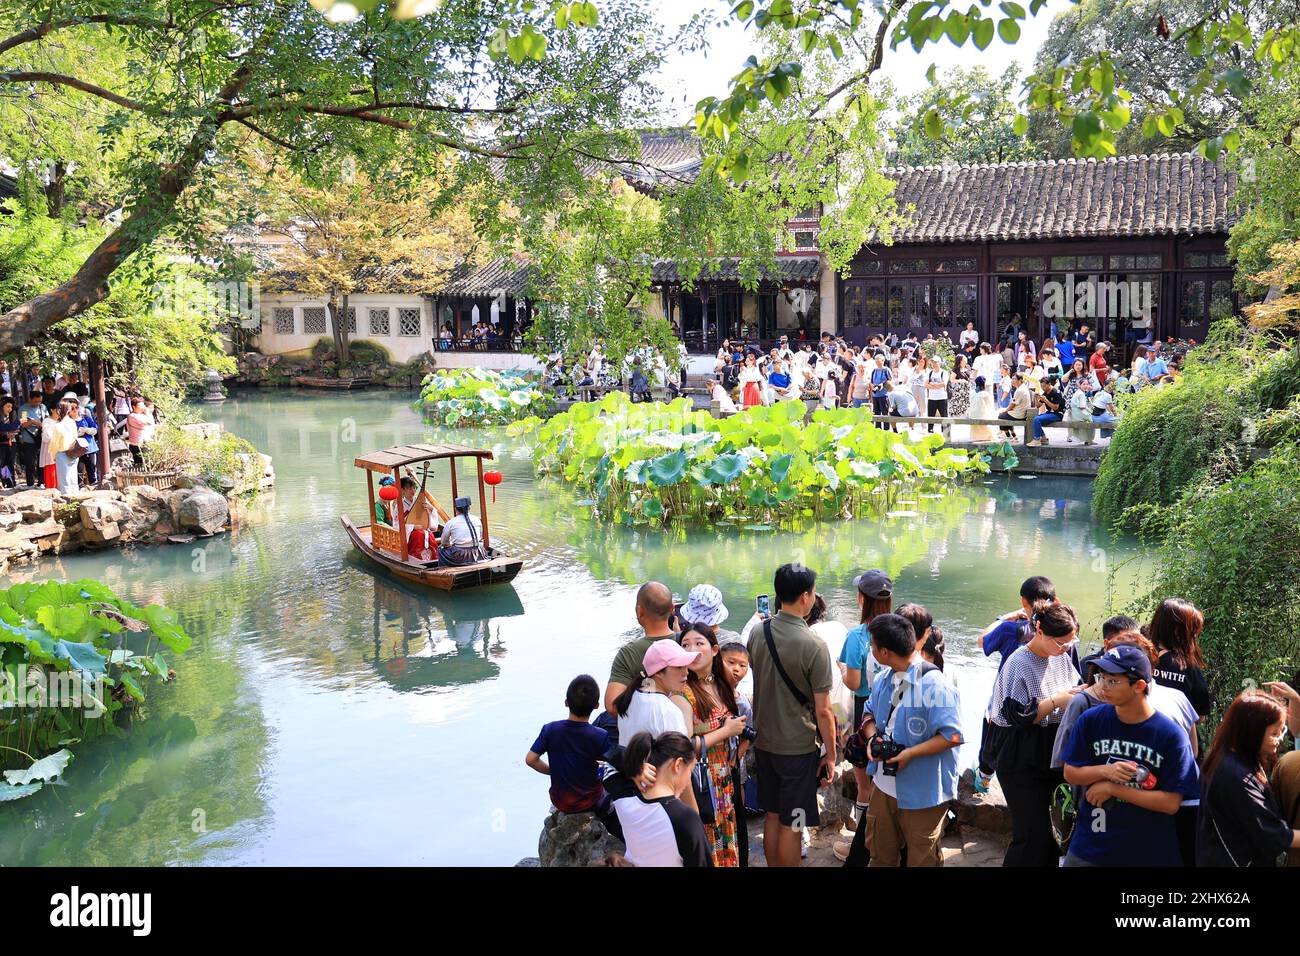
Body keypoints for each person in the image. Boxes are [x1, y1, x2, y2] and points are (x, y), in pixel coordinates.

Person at [1059, 645, 1199, 867]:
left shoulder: (1170, 736)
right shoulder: (1091, 721)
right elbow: (1070, 772)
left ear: (1139, 685)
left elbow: (1171, 803)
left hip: (1147, 851)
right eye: (1101, 677)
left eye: (1113, 681)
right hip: (1091, 845)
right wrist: (1106, 771)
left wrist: (1113, 788)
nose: (1103, 686)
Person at [746, 563, 836, 867]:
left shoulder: (758, 632)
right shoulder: (814, 645)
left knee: (772, 814)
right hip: (796, 751)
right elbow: (823, 711)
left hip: (764, 744)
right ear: (805, 597)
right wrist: (832, 755)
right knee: (794, 823)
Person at [858, 613, 963, 867]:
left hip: (923, 792)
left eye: (872, 645)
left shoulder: (936, 686)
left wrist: (910, 754)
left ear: (884, 652)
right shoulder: (884, 678)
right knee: (880, 856)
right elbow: (868, 713)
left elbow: (954, 736)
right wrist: (873, 739)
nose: (870, 649)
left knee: (922, 859)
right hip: (883, 788)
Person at [986, 599, 1083, 866]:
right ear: (1039, 629)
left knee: (1055, 831)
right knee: (1031, 833)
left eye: (1070, 643)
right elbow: (1015, 715)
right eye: (1060, 642)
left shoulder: (1061, 657)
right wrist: (1058, 701)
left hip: (1050, 751)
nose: (1065, 648)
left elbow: (1076, 687)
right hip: (1019, 752)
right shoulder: (1020, 661)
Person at [1197, 690, 1300, 867]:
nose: (1279, 740)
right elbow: (1273, 834)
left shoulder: (1228, 755)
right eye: (1274, 734)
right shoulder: (1236, 777)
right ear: (1252, 733)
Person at [975, 576, 1057, 791]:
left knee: (992, 737)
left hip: (1006, 699)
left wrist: (1004, 618)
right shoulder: (1060, 635)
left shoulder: (1010, 630)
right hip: (1045, 702)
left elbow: (982, 640)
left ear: (1023, 601)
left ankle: (983, 780)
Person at [835, 570, 892, 861]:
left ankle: (862, 845)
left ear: (862, 599)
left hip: (865, 712)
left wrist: (842, 668)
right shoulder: (899, 628)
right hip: (894, 709)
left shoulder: (858, 636)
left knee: (866, 781)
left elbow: (855, 684)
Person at [680, 624, 747, 867]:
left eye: (699, 643)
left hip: (724, 779)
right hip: (701, 782)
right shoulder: (683, 694)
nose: (692, 649)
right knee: (710, 849)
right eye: (685, 645)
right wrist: (725, 732)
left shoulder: (721, 684)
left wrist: (738, 747)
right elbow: (683, 748)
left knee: (727, 843)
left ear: (714, 649)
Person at [526, 675, 622, 839]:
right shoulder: (599, 735)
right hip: (590, 801)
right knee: (615, 800)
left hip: (560, 801)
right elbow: (613, 763)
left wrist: (552, 771)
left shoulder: (550, 730)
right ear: (597, 705)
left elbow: (531, 759)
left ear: (566, 702)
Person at [612, 731, 713, 867]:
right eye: (691, 770)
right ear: (678, 765)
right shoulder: (685, 818)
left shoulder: (624, 800)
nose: (689, 778)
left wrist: (635, 770)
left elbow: (605, 755)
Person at [605, 582, 679, 715]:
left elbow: (612, 706)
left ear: (639, 611)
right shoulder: (686, 643)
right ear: (672, 608)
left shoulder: (628, 654)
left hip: (643, 733)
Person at [1147, 598, 1211, 720]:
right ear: (1178, 631)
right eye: (1193, 630)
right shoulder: (1188, 666)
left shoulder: (1138, 656)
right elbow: (1200, 717)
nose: (1195, 635)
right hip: (1179, 733)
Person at [438, 496, 484, 567]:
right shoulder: (477, 519)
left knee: (440, 549)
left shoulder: (451, 522)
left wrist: (450, 544)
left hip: (460, 555)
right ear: (469, 508)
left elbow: (444, 543)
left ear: (456, 509)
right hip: (478, 552)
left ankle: (443, 570)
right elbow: (480, 537)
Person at [16, 392, 46, 487]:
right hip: (29, 439)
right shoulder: (24, 409)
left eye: (39, 401)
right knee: (30, 463)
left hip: (42, 438)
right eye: (35, 401)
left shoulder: (42, 407)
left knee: (42, 462)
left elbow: (47, 419)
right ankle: (30, 482)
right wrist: (33, 422)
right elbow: (23, 424)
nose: (37, 403)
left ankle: (41, 481)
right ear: (30, 399)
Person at [1028, 375, 1065, 446]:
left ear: (1049, 384)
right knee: (1035, 419)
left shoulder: (1056, 392)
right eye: (1041, 386)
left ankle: (1037, 439)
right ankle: (1044, 439)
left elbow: (1055, 408)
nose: (1043, 388)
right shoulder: (1045, 393)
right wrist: (1036, 398)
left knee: (1037, 419)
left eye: (1044, 386)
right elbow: (1038, 405)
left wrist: (1045, 400)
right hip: (1050, 413)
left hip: (1058, 414)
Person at [74, 397, 100, 487]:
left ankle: (94, 484)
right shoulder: (69, 420)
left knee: (92, 466)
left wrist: (87, 430)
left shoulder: (86, 416)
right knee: (79, 468)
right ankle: (80, 485)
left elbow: (95, 428)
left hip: (90, 446)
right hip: (77, 447)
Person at [998, 372, 1031, 439]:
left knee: (1001, 416)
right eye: (1012, 379)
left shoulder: (1020, 390)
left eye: (1014, 379)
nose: (1012, 381)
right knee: (1006, 414)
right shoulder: (1023, 387)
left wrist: (1005, 410)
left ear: (1020, 380)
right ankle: (1013, 434)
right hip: (1021, 412)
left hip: (1019, 414)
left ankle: (1007, 435)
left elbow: (1013, 405)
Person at [969, 375, 997, 442]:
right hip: (982, 416)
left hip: (973, 416)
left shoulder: (972, 392)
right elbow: (990, 407)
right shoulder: (985, 394)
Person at [126, 398, 152, 468]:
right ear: (134, 407)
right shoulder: (132, 416)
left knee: (147, 464)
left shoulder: (142, 415)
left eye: (143, 405)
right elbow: (149, 422)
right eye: (140, 405)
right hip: (136, 444)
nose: (142, 407)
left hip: (145, 443)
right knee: (139, 466)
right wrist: (147, 412)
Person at [0, 397, 19, 489]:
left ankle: (9, 482)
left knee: (7, 464)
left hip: (7, 444)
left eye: (11, 407)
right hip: (2, 444)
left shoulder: (8, 416)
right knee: (2, 464)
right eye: (8, 406)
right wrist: (19, 422)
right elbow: (3, 428)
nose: (10, 409)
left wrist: (12, 434)